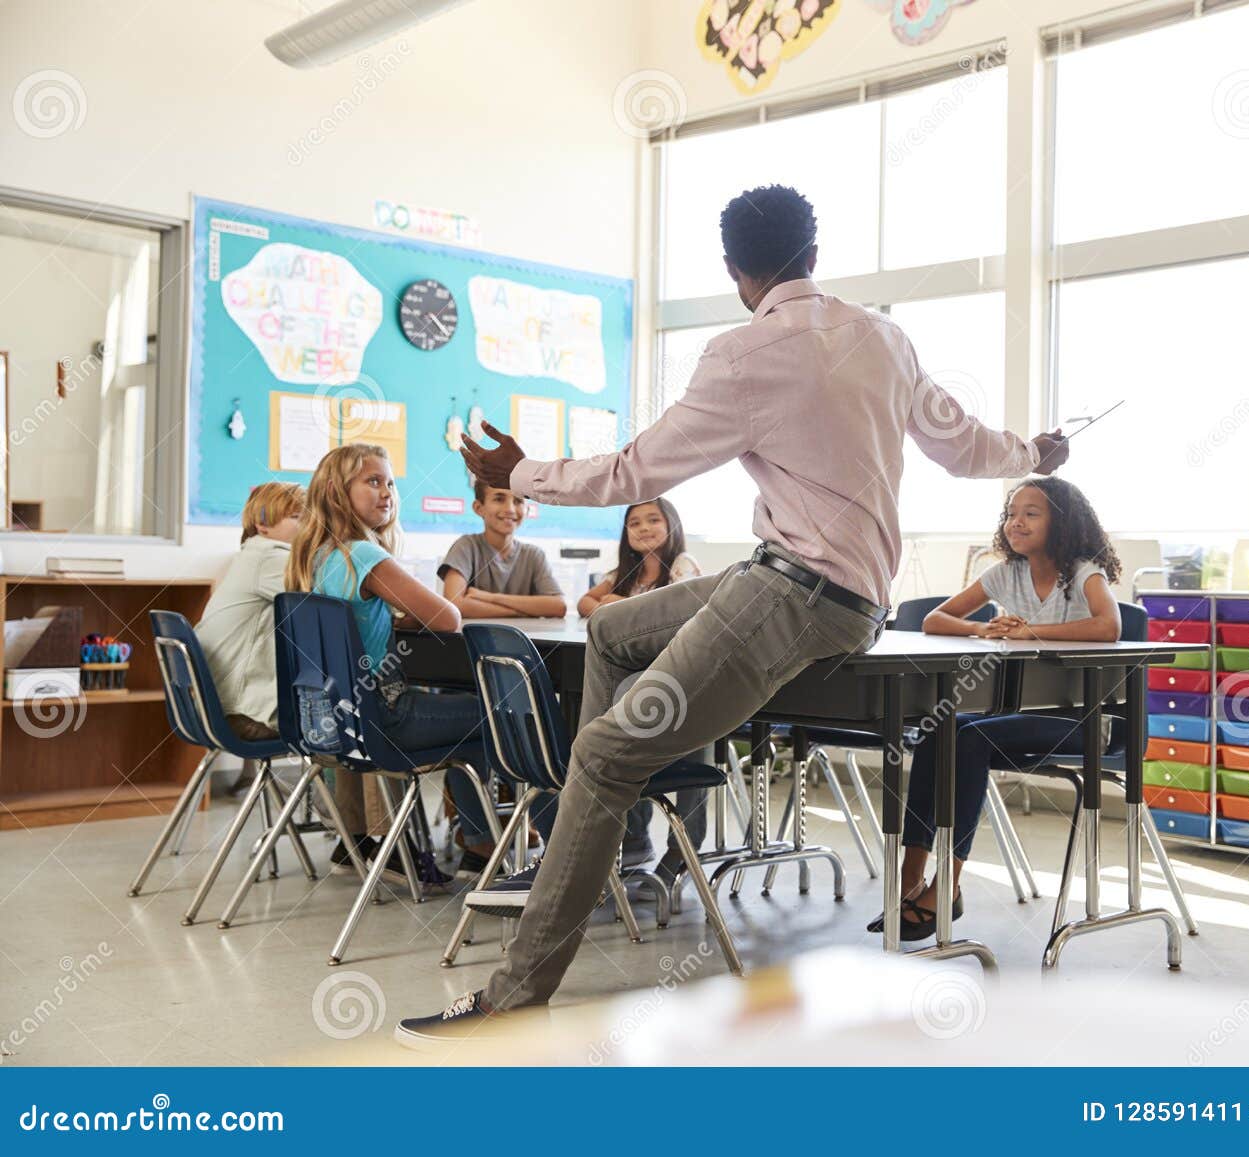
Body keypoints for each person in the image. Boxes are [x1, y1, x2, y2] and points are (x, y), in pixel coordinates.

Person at [396, 184, 1069, 1045]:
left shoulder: (745, 352)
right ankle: (624, 842)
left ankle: (513, 995)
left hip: (797, 593)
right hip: (834, 589)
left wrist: (522, 471)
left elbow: (634, 474)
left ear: (734, 272)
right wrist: (1036, 453)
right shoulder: (885, 339)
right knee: (611, 629)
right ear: (814, 254)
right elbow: (966, 444)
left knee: (600, 752)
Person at [871, 476, 1121, 941]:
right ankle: (911, 877)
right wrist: (983, 631)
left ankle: (948, 885)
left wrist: (1032, 633)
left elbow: (1108, 626)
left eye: (1031, 513)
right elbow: (934, 619)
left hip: (1079, 720)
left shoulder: (1084, 571)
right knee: (939, 729)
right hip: (1018, 716)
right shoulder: (1006, 573)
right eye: (1011, 513)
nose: (1016, 522)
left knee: (970, 736)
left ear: (1060, 523)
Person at [286, 443, 497, 882]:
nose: (387, 493)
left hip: (329, 722)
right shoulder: (364, 555)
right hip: (384, 715)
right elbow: (447, 617)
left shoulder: (314, 556)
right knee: (502, 715)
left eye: (391, 483)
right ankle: (486, 848)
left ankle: (374, 843)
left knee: (468, 729)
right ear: (334, 490)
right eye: (373, 481)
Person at [580, 498, 707, 880]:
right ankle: (633, 838)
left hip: (682, 679)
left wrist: (617, 605)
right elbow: (587, 602)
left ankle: (685, 847)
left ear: (672, 523)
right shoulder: (624, 572)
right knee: (611, 724)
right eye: (634, 522)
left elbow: (674, 611)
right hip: (631, 677)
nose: (644, 527)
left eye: (653, 519)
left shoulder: (683, 564)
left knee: (688, 734)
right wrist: (614, 601)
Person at [193, 482, 304, 792]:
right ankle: (346, 824)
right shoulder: (271, 557)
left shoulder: (253, 554)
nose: (308, 526)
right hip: (241, 717)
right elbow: (327, 602)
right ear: (263, 524)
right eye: (297, 517)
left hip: (215, 710)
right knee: (356, 718)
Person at [438, 481, 567, 619]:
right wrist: (523, 612)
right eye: (499, 499)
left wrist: (487, 597)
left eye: (518, 501)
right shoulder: (466, 547)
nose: (510, 509)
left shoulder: (534, 555)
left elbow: (558, 606)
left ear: (527, 510)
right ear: (478, 508)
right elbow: (454, 605)